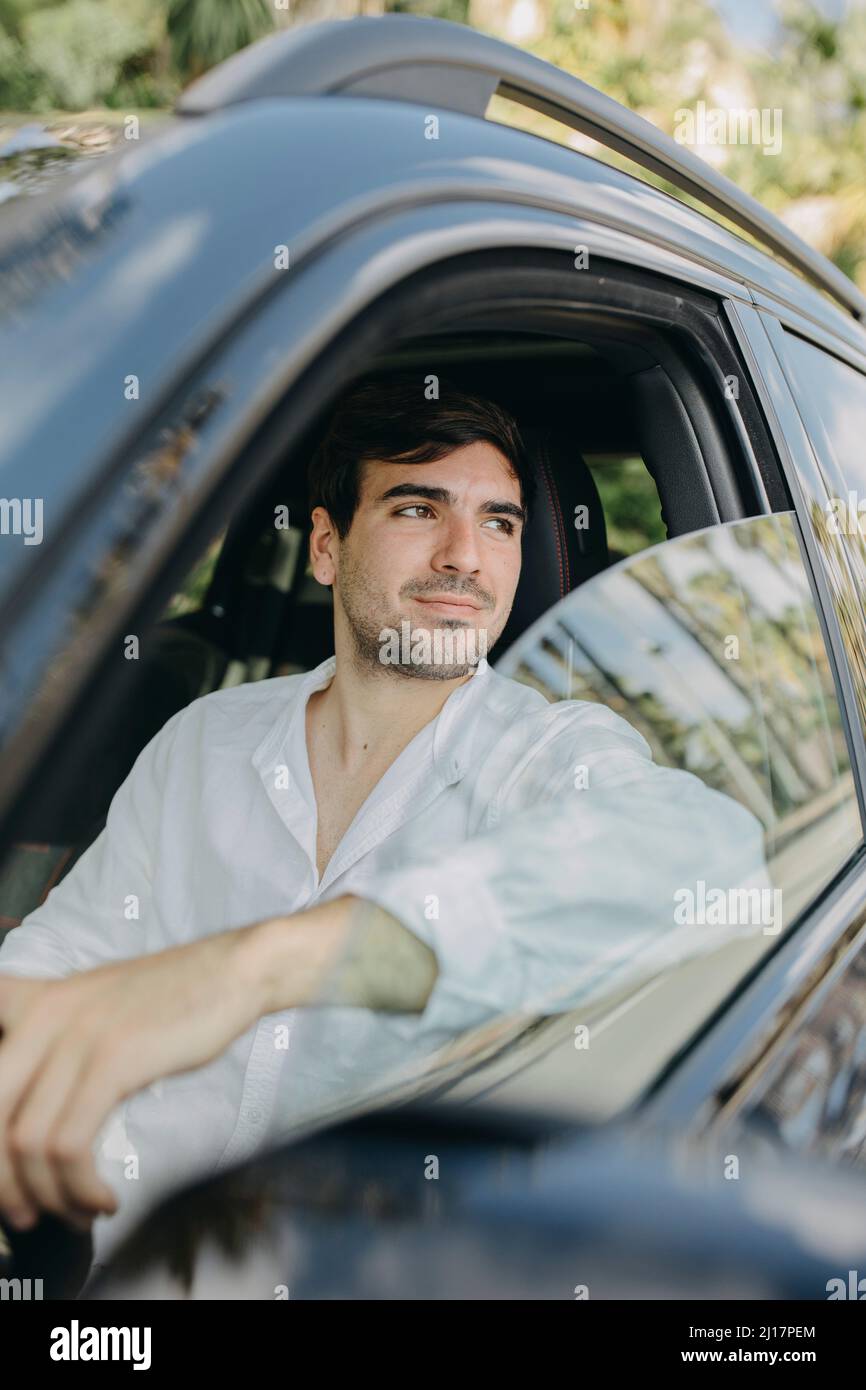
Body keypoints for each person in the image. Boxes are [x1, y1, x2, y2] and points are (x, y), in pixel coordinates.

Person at [0, 372, 766, 1276]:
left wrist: (255, 970)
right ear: (325, 547)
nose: (465, 558)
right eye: (416, 509)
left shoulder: (549, 753)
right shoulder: (204, 738)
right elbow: (56, 959)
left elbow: (707, 858)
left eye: (500, 523)